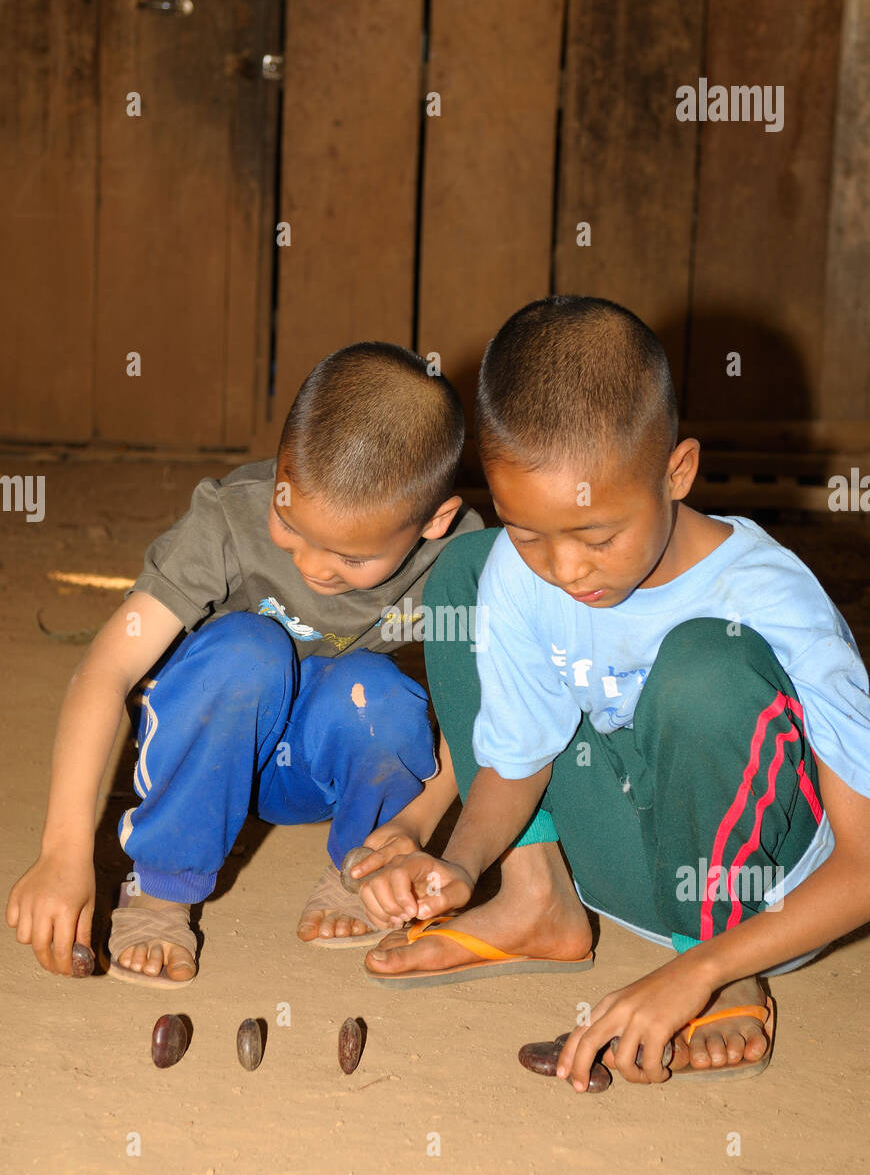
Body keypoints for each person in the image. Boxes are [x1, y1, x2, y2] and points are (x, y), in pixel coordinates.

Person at [352, 296, 870, 1088]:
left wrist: (698, 971)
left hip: (764, 894)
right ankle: (537, 904)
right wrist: (459, 861)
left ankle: (722, 963)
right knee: (467, 570)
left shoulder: (766, 598)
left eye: (596, 536)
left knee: (704, 668)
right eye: (532, 531)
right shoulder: (527, 571)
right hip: (632, 855)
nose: (564, 570)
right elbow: (520, 762)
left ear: (678, 471)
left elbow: (866, 863)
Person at [6, 342, 484, 985]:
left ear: (435, 521)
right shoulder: (230, 520)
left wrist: (412, 824)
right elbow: (105, 670)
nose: (313, 567)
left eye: (349, 558)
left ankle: (366, 866)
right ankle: (164, 883)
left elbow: (484, 709)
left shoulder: (460, 561)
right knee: (246, 648)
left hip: (314, 767)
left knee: (378, 692)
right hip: (206, 751)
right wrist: (62, 852)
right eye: (292, 525)